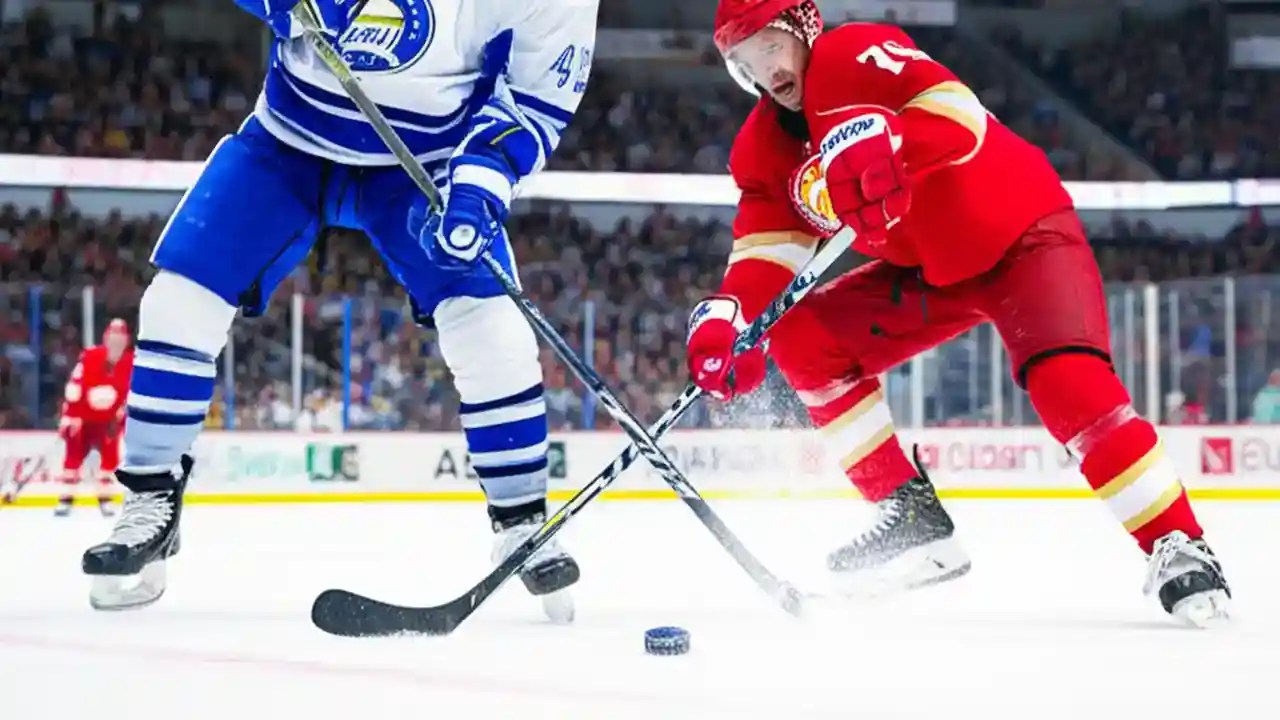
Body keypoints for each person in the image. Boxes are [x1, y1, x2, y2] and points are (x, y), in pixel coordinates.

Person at [686, 0, 1229, 625]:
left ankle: (1179, 543)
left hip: (1023, 237)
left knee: (1067, 384)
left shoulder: (853, 53)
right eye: (746, 60)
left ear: (805, 26)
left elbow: (958, 117)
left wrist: (893, 140)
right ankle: (910, 515)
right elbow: (765, 252)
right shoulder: (761, 152)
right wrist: (733, 318)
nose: (766, 70)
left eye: (770, 46)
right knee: (802, 338)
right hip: (933, 273)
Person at [81, 0, 599, 620]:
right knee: (177, 301)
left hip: (424, 160)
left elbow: (538, 100)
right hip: (288, 140)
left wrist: (483, 183)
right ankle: (151, 501)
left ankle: (522, 522)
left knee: (493, 332)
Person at [55, 319, 133, 517]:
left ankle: (105, 500)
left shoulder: (131, 361)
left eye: (120, 337)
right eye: (112, 337)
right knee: (72, 460)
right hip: (81, 418)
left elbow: (131, 393)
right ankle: (66, 500)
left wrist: (122, 414)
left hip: (109, 422)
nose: (116, 341)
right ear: (106, 338)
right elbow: (74, 387)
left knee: (109, 461)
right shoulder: (90, 356)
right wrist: (69, 416)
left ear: (126, 340)